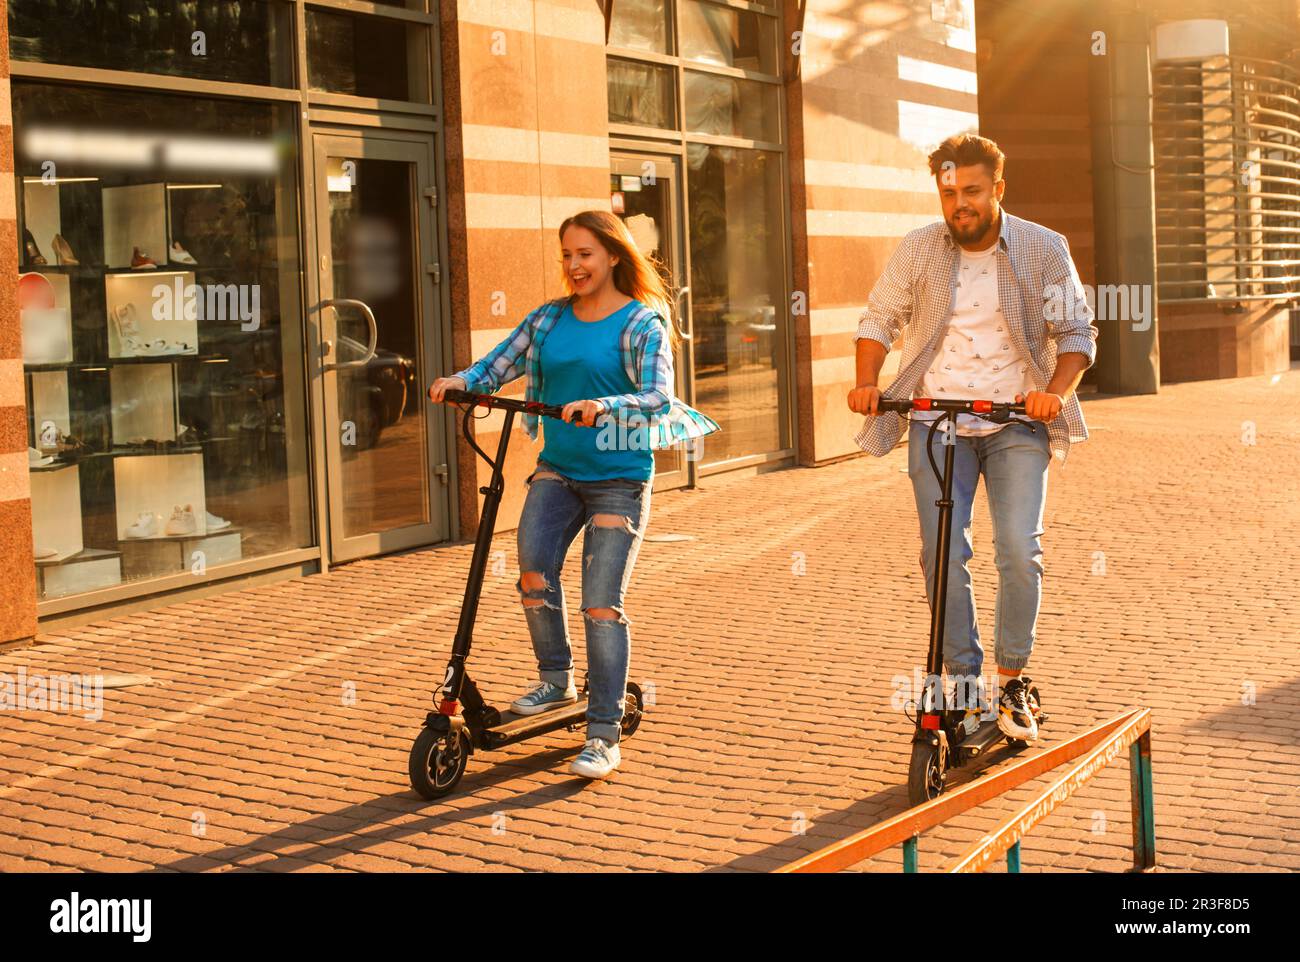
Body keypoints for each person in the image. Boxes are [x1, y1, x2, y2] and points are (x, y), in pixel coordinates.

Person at [429, 210, 719, 779]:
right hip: (558, 469)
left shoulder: (642, 323)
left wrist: (604, 406)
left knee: (600, 603)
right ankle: (556, 680)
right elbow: (498, 363)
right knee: (533, 573)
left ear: (613, 255)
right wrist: (465, 380)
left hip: (619, 478)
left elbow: (660, 398)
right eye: (566, 255)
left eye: (584, 253)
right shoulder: (549, 319)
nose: (574, 265)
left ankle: (604, 733)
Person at [846, 133, 1099, 741]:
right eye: (949, 191)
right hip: (936, 418)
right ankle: (961, 684)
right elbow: (878, 320)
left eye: (972, 191)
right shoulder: (919, 248)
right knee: (941, 553)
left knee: (1017, 548)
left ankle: (1012, 682)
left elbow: (1076, 335)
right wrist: (865, 381)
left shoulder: (1044, 246)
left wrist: (1055, 394)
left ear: (998, 190)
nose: (960, 203)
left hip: (1017, 419)